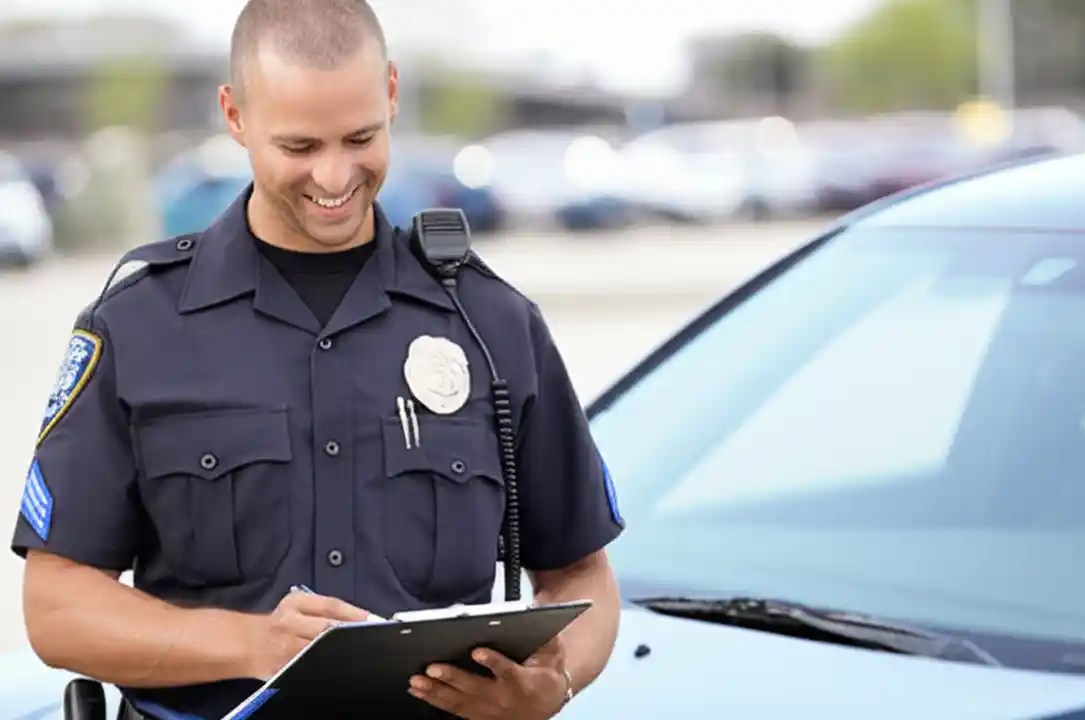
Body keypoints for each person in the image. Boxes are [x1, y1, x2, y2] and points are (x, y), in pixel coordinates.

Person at [10, 1, 625, 717]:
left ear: (391, 92)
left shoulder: (493, 324)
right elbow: (57, 607)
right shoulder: (139, 326)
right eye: (299, 147)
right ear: (234, 116)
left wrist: (554, 686)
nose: (335, 178)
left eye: (360, 137)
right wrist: (250, 646)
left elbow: (583, 576)